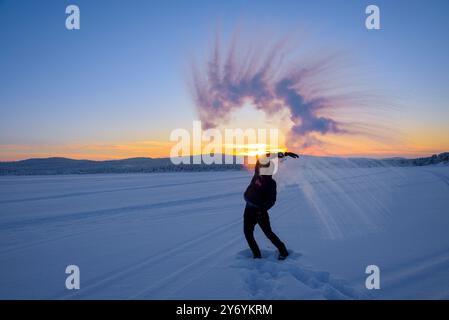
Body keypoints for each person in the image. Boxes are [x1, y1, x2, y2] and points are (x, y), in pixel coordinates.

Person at [243, 151, 299, 260]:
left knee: (268, 233)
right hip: (248, 208)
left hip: (260, 212)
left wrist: (261, 210)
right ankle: (257, 255)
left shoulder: (271, 183)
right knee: (247, 234)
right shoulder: (257, 174)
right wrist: (283, 153)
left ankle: (283, 251)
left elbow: (272, 200)